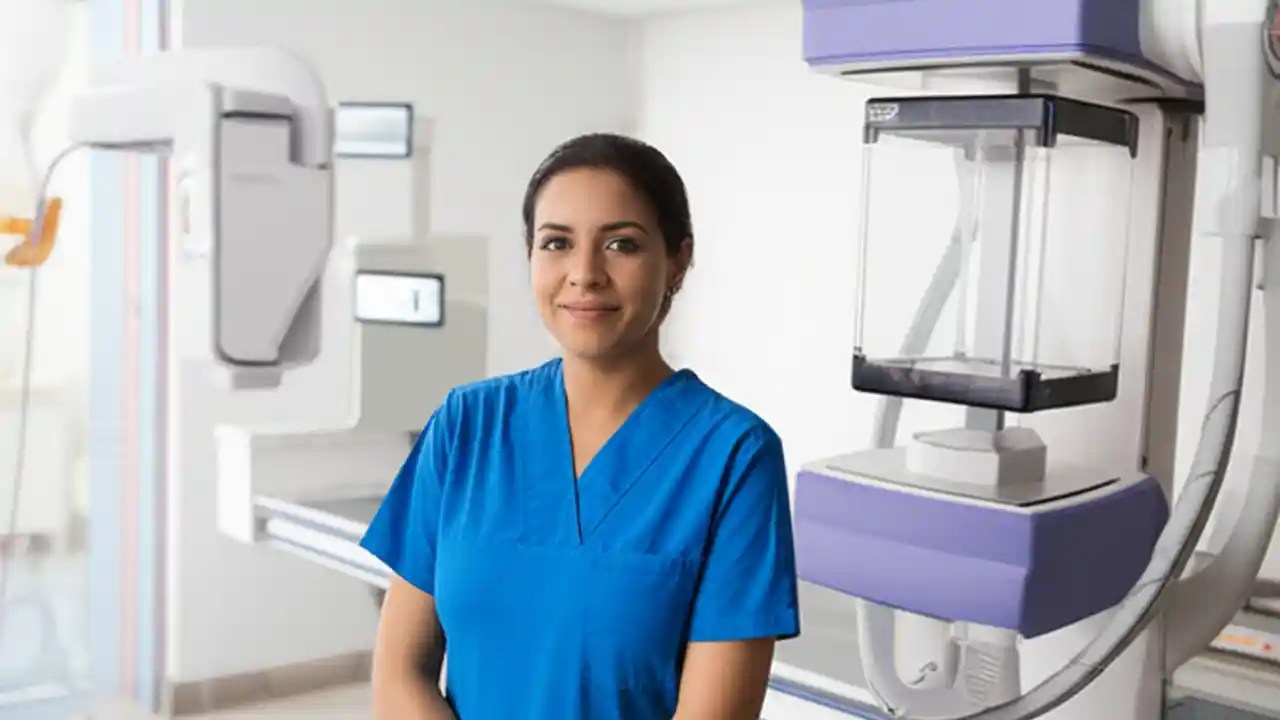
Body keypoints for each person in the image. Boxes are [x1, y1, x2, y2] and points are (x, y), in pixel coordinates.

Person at [360, 133, 800, 719]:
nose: (584, 273)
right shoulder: (466, 426)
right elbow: (398, 677)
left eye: (621, 244)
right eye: (557, 243)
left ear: (678, 260)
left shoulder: (733, 457)